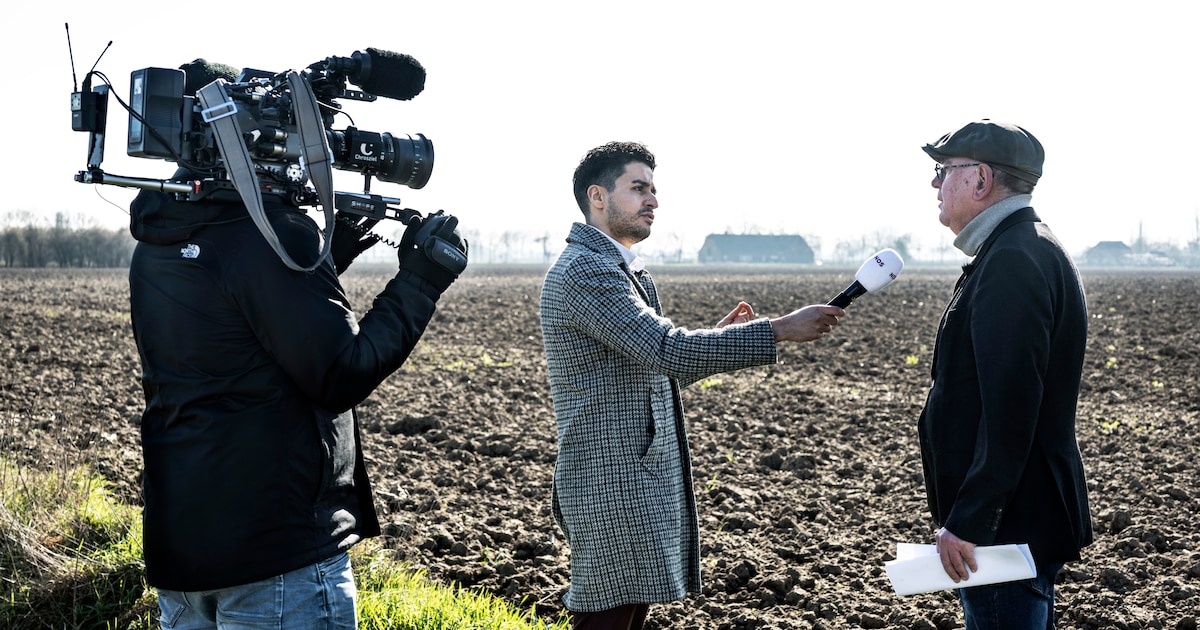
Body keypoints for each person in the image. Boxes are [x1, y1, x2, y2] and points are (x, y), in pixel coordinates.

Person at [127, 59, 468, 629]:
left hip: (184, 555)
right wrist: (422, 279)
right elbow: (340, 374)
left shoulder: (161, 238)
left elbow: (234, 333)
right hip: (277, 556)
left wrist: (324, 264)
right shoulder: (269, 236)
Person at [539, 141, 845, 629]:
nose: (653, 200)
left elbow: (659, 364)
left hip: (631, 476)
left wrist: (721, 339)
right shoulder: (588, 272)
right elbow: (669, 350)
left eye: (654, 189)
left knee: (627, 616)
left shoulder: (620, 270)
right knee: (606, 621)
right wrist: (778, 328)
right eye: (638, 188)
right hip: (608, 478)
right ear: (598, 197)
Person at [918, 120, 1092, 628]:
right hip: (1016, 517)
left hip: (1004, 532)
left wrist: (970, 522)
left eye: (943, 170)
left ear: (981, 180)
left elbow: (1011, 411)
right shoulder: (1021, 247)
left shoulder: (1014, 260)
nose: (934, 184)